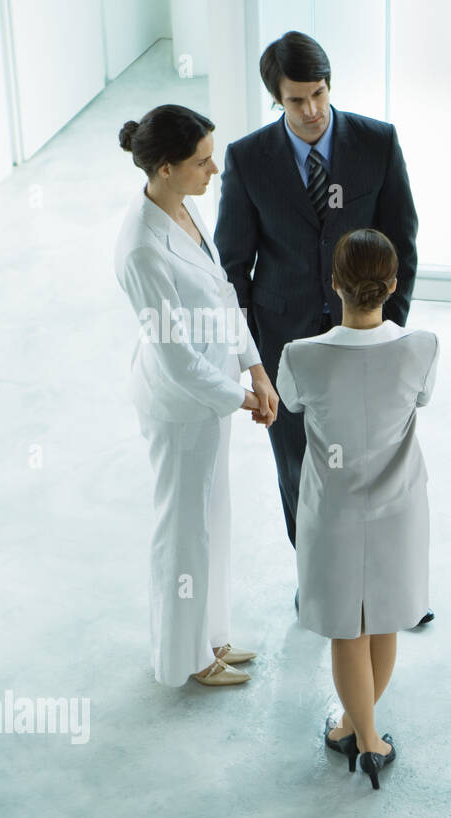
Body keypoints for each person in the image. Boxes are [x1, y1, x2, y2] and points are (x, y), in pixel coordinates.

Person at [213, 30, 431, 624]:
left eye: (319, 94)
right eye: (296, 101)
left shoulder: (376, 142)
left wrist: (388, 330)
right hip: (289, 348)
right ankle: (317, 578)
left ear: (330, 84)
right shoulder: (247, 158)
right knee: (299, 471)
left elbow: (401, 245)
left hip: (369, 339)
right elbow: (232, 266)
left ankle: (390, 590)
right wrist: (251, 359)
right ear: (276, 100)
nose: (311, 111)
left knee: (381, 467)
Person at [114, 105, 280, 687]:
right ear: (165, 167)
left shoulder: (182, 208)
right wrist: (239, 396)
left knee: (212, 518)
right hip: (183, 405)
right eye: (202, 162)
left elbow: (221, 288)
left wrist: (255, 368)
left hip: (214, 394)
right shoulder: (141, 247)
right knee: (182, 531)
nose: (215, 170)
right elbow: (175, 355)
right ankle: (183, 659)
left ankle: (209, 636)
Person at [276, 229, 438, 789]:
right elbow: (418, 400)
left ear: (335, 283)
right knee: (385, 619)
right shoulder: (422, 347)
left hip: (334, 516)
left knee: (349, 629)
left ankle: (361, 736)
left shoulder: (301, 356)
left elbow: (291, 405)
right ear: (392, 285)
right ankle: (359, 730)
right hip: (398, 511)